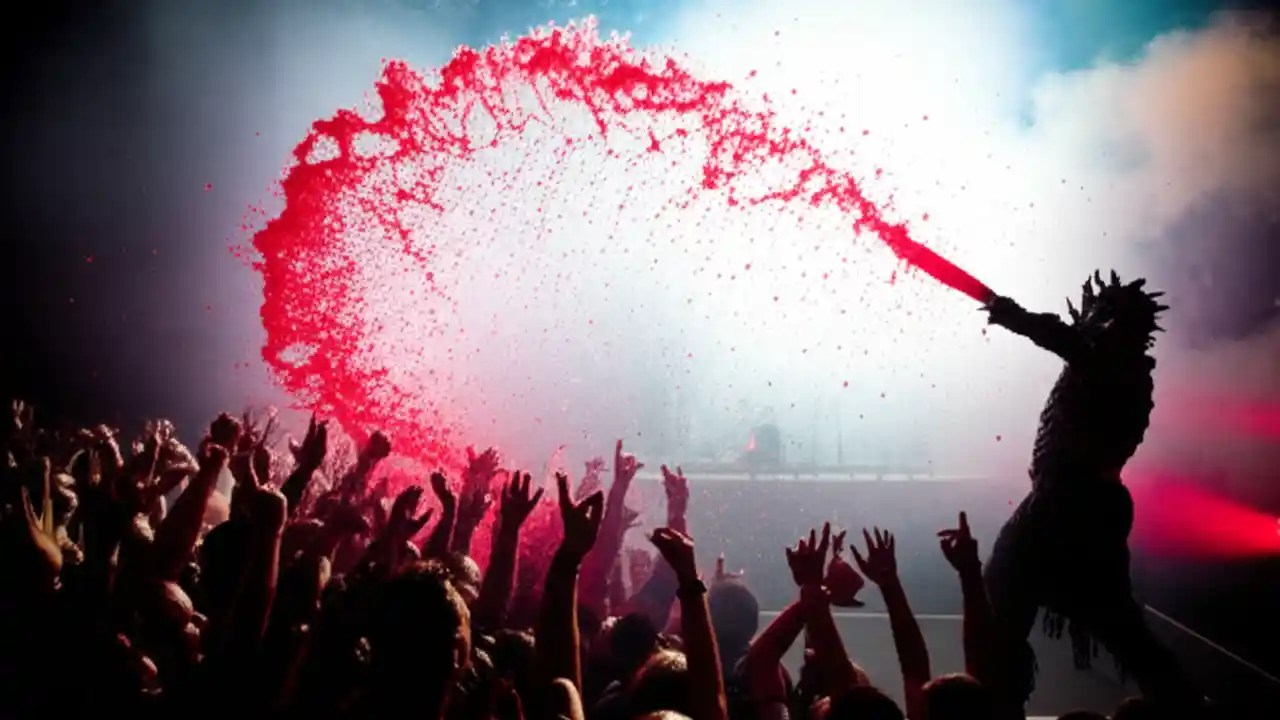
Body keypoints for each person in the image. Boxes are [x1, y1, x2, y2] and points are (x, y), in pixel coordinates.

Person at [983, 271, 1200, 716]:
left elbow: (1063, 338)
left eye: (1103, 314)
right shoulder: (1118, 367)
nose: (1093, 319)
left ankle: (1000, 704)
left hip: (1069, 507)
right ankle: (1182, 707)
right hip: (1078, 504)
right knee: (1111, 622)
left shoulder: (1111, 363)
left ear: (1116, 323)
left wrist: (1009, 312)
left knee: (1007, 599)